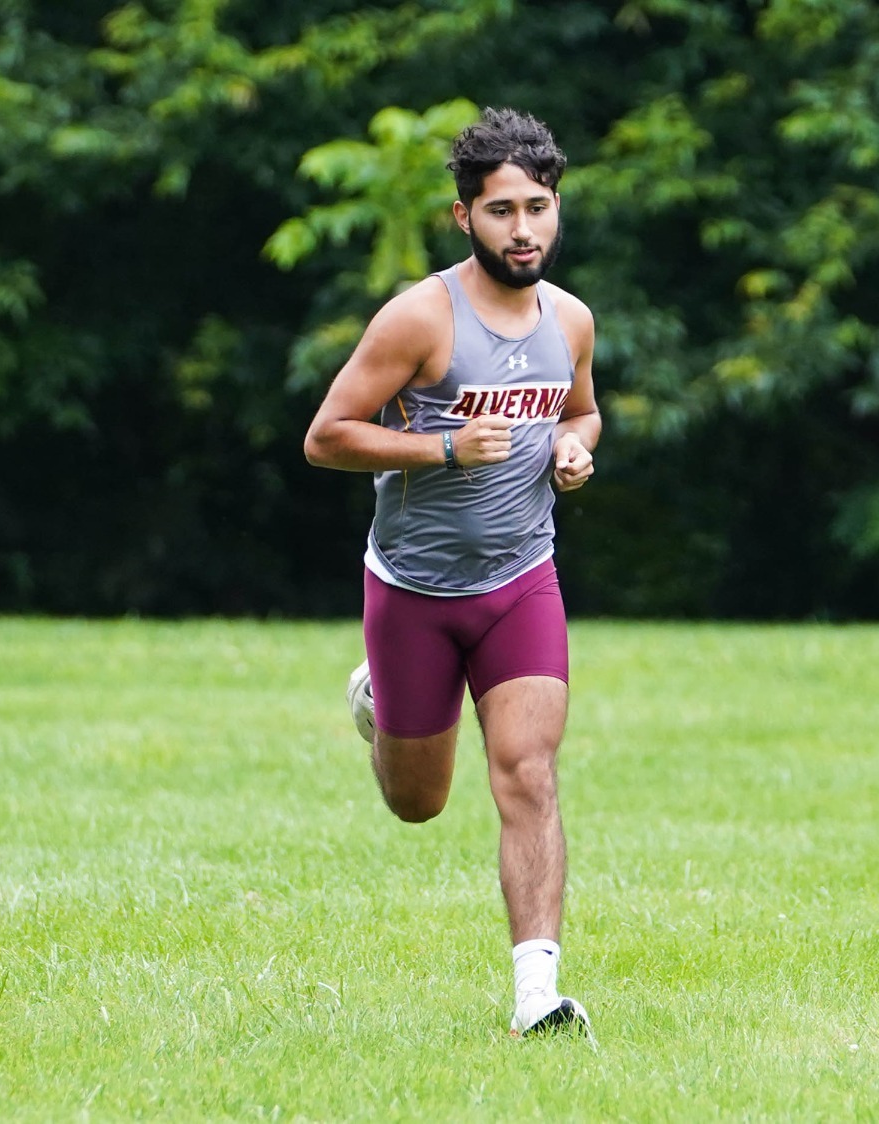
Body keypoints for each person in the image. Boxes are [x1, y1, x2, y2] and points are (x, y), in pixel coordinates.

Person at [303, 106, 600, 1037]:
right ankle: (379, 702)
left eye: (539, 208)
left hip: (522, 578)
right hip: (415, 592)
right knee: (417, 802)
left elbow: (581, 413)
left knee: (528, 773)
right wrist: (439, 449)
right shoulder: (420, 318)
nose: (525, 230)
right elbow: (326, 438)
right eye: (503, 210)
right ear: (463, 217)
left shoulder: (572, 321)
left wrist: (575, 448)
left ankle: (537, 998)